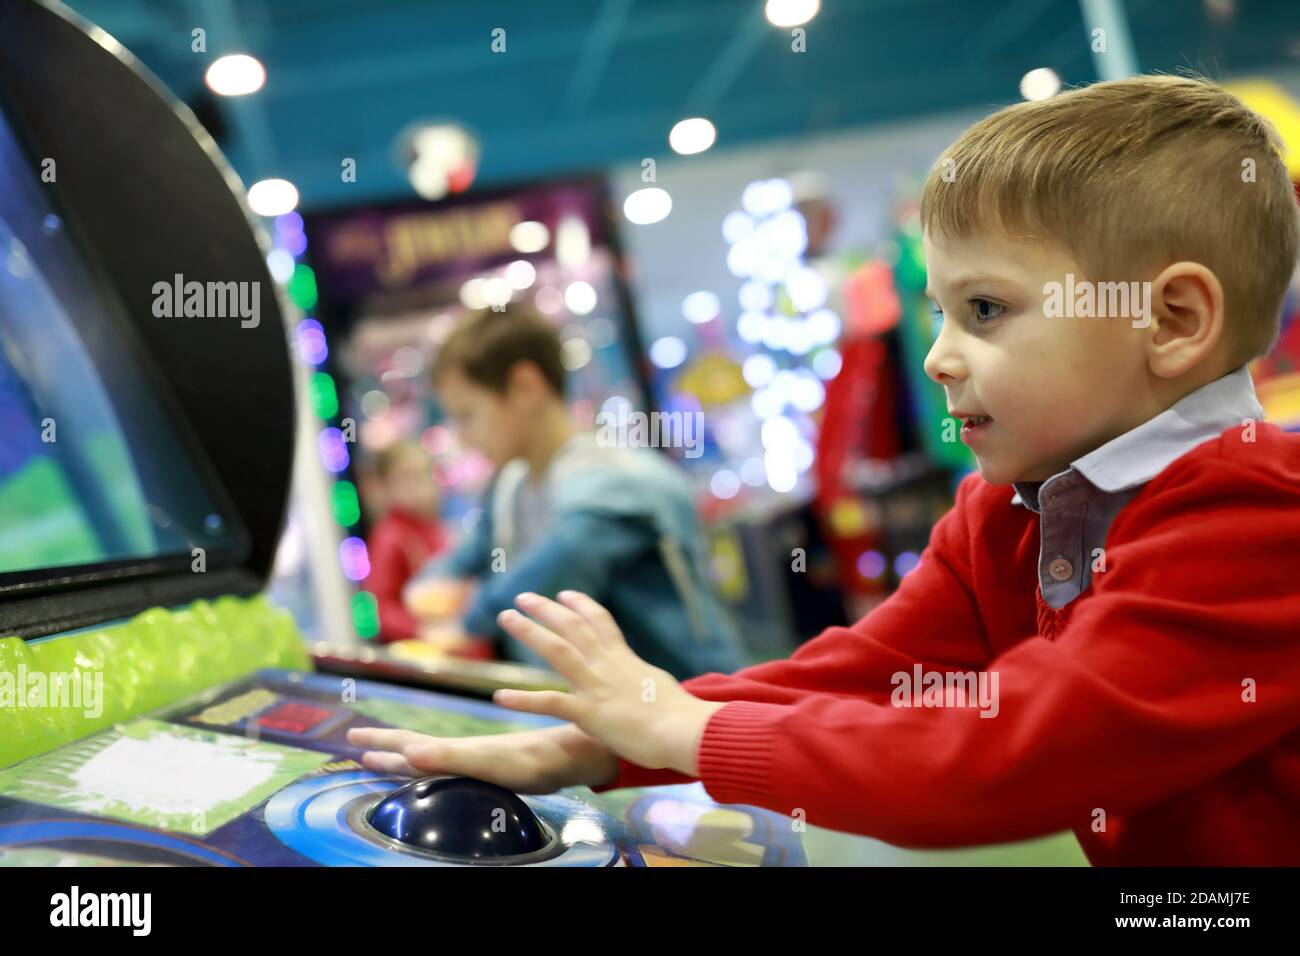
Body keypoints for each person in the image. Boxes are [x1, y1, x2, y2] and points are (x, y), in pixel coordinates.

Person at [352, 76, 1300, 865]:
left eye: (986, 310)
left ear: (1170, 321)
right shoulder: (1002, 514)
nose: (936, 356)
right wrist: (601, 748)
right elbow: (856, 676)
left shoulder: (1252, 518)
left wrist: (689, 733)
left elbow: (1007, 752)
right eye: (940, 312)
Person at [404, 306, 746, 680]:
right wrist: (434, 582)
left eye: (467, 414)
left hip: (689, 702)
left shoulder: (615, 479)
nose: (461, 436)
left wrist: (468, 622)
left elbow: (560, 561)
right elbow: (465, 556)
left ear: (525, 387)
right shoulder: (510, 485)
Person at [363, 441, 451, 645]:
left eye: (425, 473)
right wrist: (423, 632)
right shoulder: (390, 535)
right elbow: (382, 609)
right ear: (385, 486)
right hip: (429, 650)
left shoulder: (429, 526)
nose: (421, 483)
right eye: (408, 476)